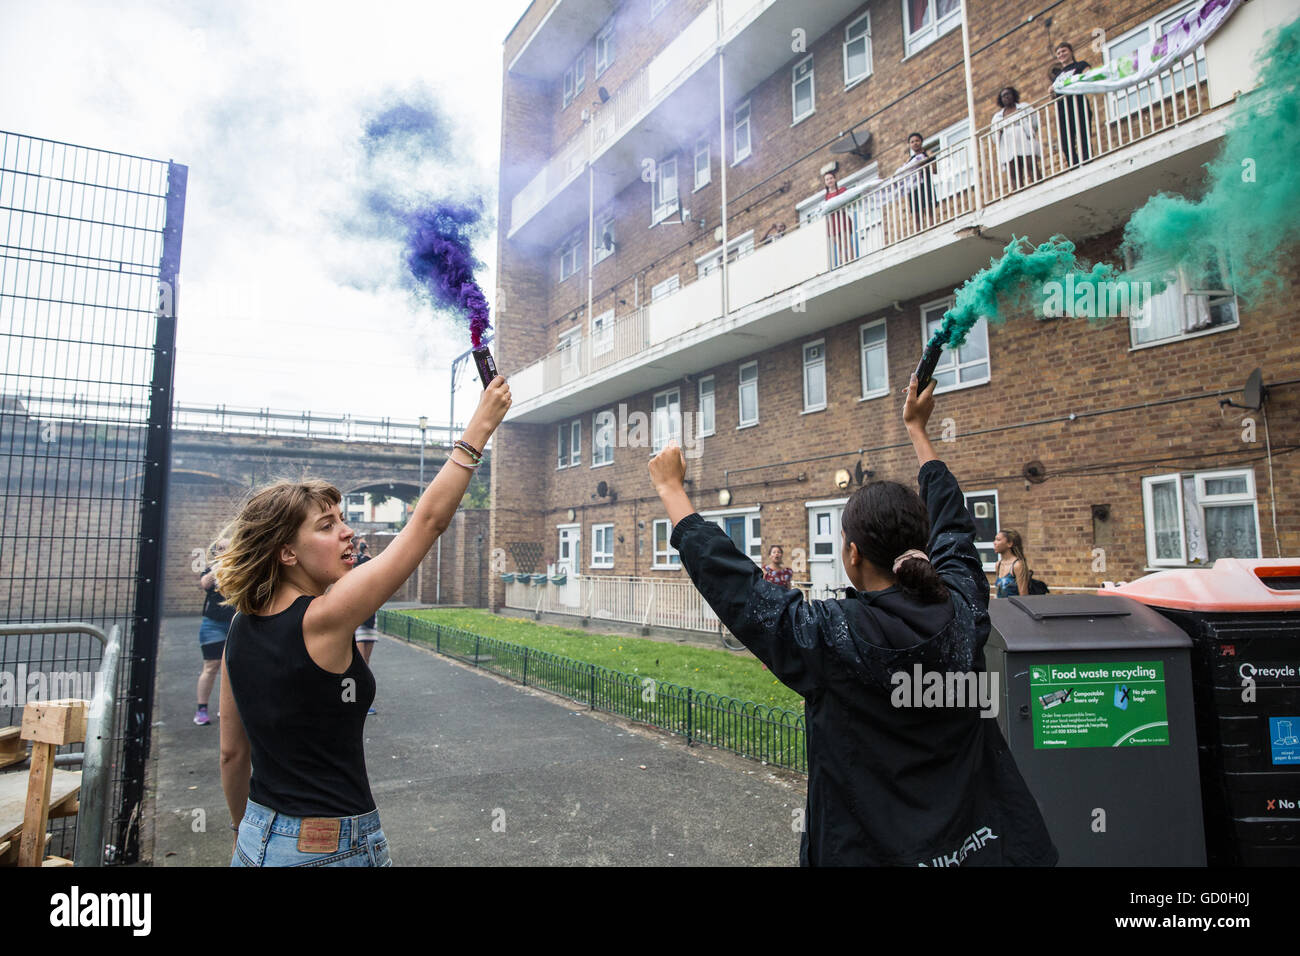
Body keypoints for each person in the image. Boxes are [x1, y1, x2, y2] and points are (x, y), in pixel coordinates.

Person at [648, 375, 1057, 866]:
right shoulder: (963, 606)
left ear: (853, 554)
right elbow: (953, 526)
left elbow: (740, 591)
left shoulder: (831, 636)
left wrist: (671, 489)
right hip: (984, 848)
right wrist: (918, 432)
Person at [216, 377, 511, 867]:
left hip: (255, 840)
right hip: (329, 848)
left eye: (343, 517)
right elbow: (427, 524)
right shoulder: (324, 619)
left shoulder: (239, 627)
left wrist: (240, 834)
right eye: (327, 525)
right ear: (286, 552)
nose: (348, 531)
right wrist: (481, 425)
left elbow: (231, 755)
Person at [195, 537, 234, 726]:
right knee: (211, 666)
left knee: (232, 667)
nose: (225, 551)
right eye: (220, 549)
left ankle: (225, 708)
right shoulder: (212, 569)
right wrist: (220, 564)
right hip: (213, 624)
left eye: (228, 548)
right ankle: (201, 709)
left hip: (236, 624)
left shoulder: (240, 568)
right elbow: (205, 584)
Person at [1049, 41, 1093, 166]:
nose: (1061, 54)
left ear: (1071, 52)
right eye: (1058, 53)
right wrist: (1051, 91)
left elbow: (1087, 76)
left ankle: (1087, 162)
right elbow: (1054, 95)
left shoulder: (1080, 65)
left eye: (1064, 51)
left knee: (1083, 136)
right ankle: (1074, 166)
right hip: (1063, 111)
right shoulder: (1058, 75)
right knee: (1065, 143)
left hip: (1078, 106)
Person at [991, 86, 1040, 191]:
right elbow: (994, 136)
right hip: (1007, 144)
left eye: (1008, 94)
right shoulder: (997, 117)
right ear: (1001, 100)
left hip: (1023, 139)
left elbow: (1035, 122)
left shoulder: (1023, 107)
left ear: (1013, 95)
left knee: (1030, 164)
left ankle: (1040, 186)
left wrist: (1030, 132)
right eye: (1003, 96)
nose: (1006, 97)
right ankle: (1019, 191)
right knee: (1013, 171)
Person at [352, 540, 380, 714]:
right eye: (361, 545)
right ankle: (356, 702)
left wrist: (368, 556)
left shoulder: (366, 560)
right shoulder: (351, 561)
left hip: (370, 618)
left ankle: (363, 702)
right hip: (357, 618)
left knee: (366, 663)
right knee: (359, 664)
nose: (363, 547)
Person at [898, 132, 935, 232]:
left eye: (917, 141)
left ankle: (932, 227)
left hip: (925, 184)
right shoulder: (909, 160)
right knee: (916, 212)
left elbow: (934, 170)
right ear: (910, 145)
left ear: (921, 142)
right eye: (912, 142)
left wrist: (925, 162)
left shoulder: (927, 153)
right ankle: (919, 232)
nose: (915, 143)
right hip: (913, 188)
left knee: (928, 207)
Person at [993, 529, 1031, 598]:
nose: (994, 543)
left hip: (1013, 607)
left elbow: (1024, 596)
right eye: (995, 540)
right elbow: (997, 592)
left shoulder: (1017, 565)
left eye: (998, 540)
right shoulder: (998, 565)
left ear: (1009, 543)